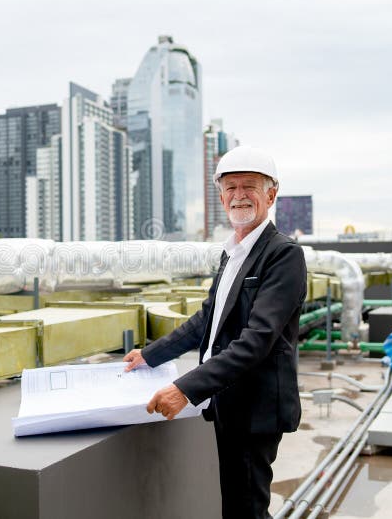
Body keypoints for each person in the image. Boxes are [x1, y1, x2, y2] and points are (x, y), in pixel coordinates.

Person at [123, 145, 307, 518]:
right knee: (238, 505)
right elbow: (207, 319)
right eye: (231, 187)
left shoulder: (283, 255)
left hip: (255, 407)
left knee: (247, 508)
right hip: (227, 401)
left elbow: (256, 341)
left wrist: (185, 389)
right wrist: (151, 354)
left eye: (250, 187)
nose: (239, 195)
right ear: (221, 196)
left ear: (271, 194)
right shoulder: (232, 253)